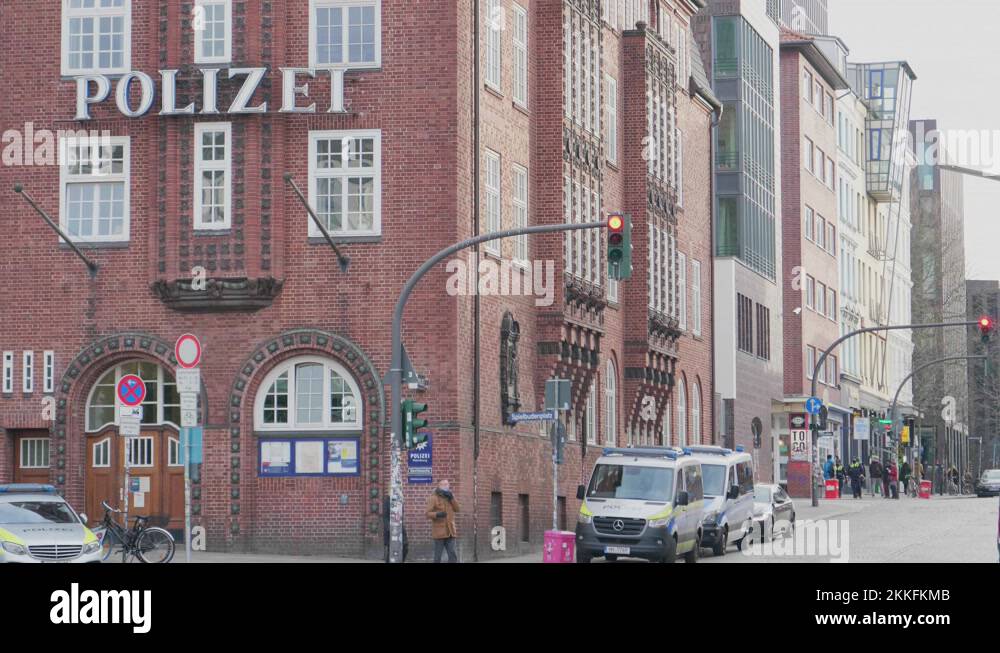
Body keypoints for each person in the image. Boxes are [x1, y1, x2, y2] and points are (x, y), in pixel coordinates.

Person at [425, 479, 461, 563]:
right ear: (439, 486)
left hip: (450, 531)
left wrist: (452, 498)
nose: (446, 486)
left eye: (447, 484)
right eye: (444, 484)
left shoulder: (450, 496)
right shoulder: (433, 498)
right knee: (438, 556)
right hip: (439, 532)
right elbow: (427, 513)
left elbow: (457, 509)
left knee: (452, 554)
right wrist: (437, 514)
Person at [383, 495, 409, 563]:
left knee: (405, 546)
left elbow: (401, 515)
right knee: (391, 550)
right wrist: (389, 528)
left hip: (399, 527)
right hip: (390, 529)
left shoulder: (400, 499)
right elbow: (385, 517)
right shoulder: (387, 500)